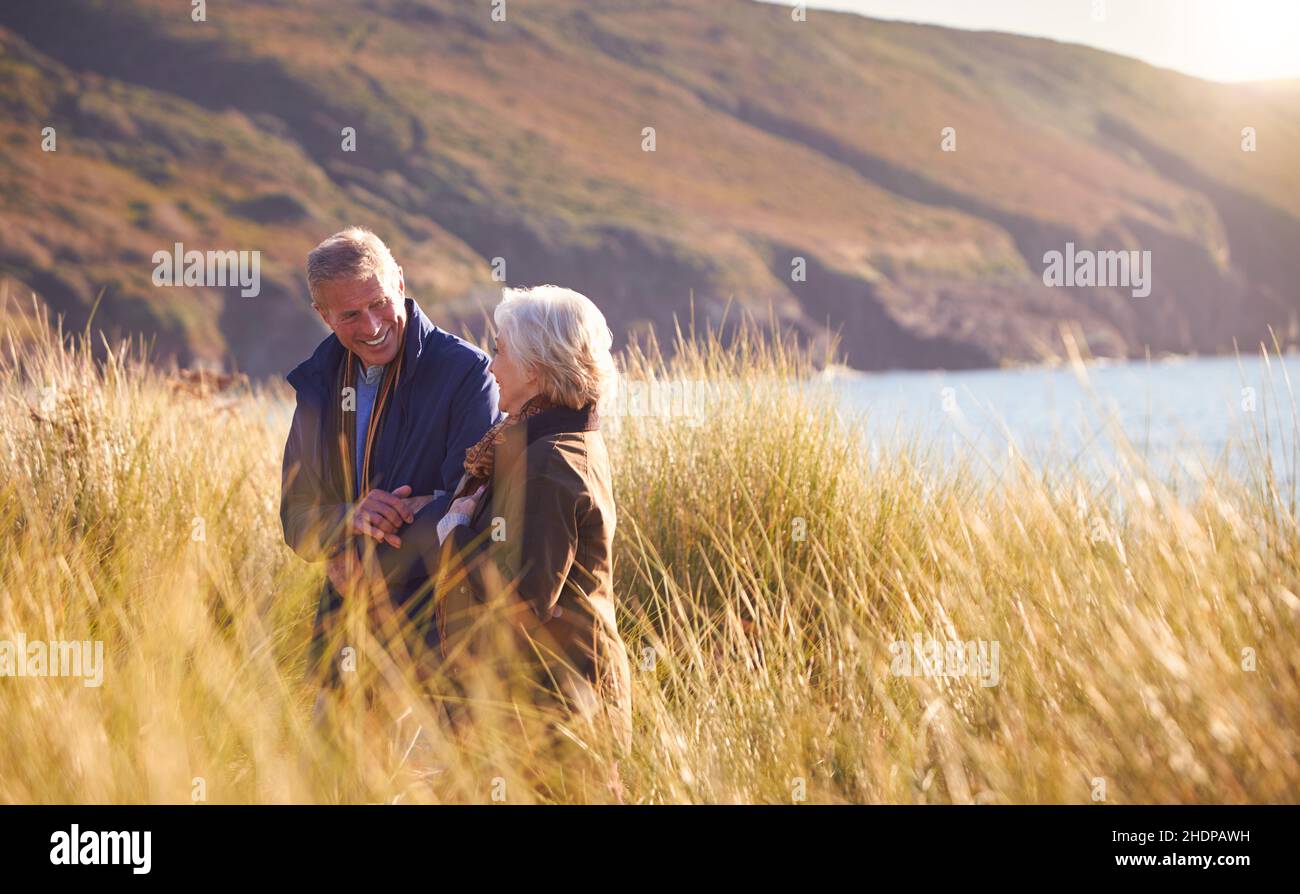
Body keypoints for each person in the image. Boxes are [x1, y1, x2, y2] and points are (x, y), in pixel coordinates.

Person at [279, 226, 501, 694]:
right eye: (351, 315)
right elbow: (296, 520)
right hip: (343, 631)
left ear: (399, 282)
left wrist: (372, 544)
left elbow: (473, 504)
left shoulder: (467, 372)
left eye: (380, 302)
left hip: (436, 635)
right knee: (328, 766)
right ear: (323, 315)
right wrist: (347, 522)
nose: (373, 326)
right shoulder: (317, 382)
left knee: (430, 769)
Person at [434, 285, 633, 800]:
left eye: (500, 351)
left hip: (553, 708)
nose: (492, 366)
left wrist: (454, 533)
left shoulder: (550, 460)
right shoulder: (560, 441)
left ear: (537, 368)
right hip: (552, 698)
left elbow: (522, 598)